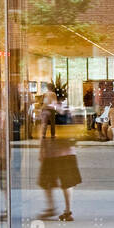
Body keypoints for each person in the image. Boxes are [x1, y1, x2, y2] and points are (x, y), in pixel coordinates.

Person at [38, 89, 80, 220]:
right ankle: (68, 211)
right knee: (67, 183)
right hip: (68, 152)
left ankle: (50, 207)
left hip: (53, 153)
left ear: (47, 99)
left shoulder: (46, 111)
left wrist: (41, 150)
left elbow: (43, 132)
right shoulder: (66, 109)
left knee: (45, 181)